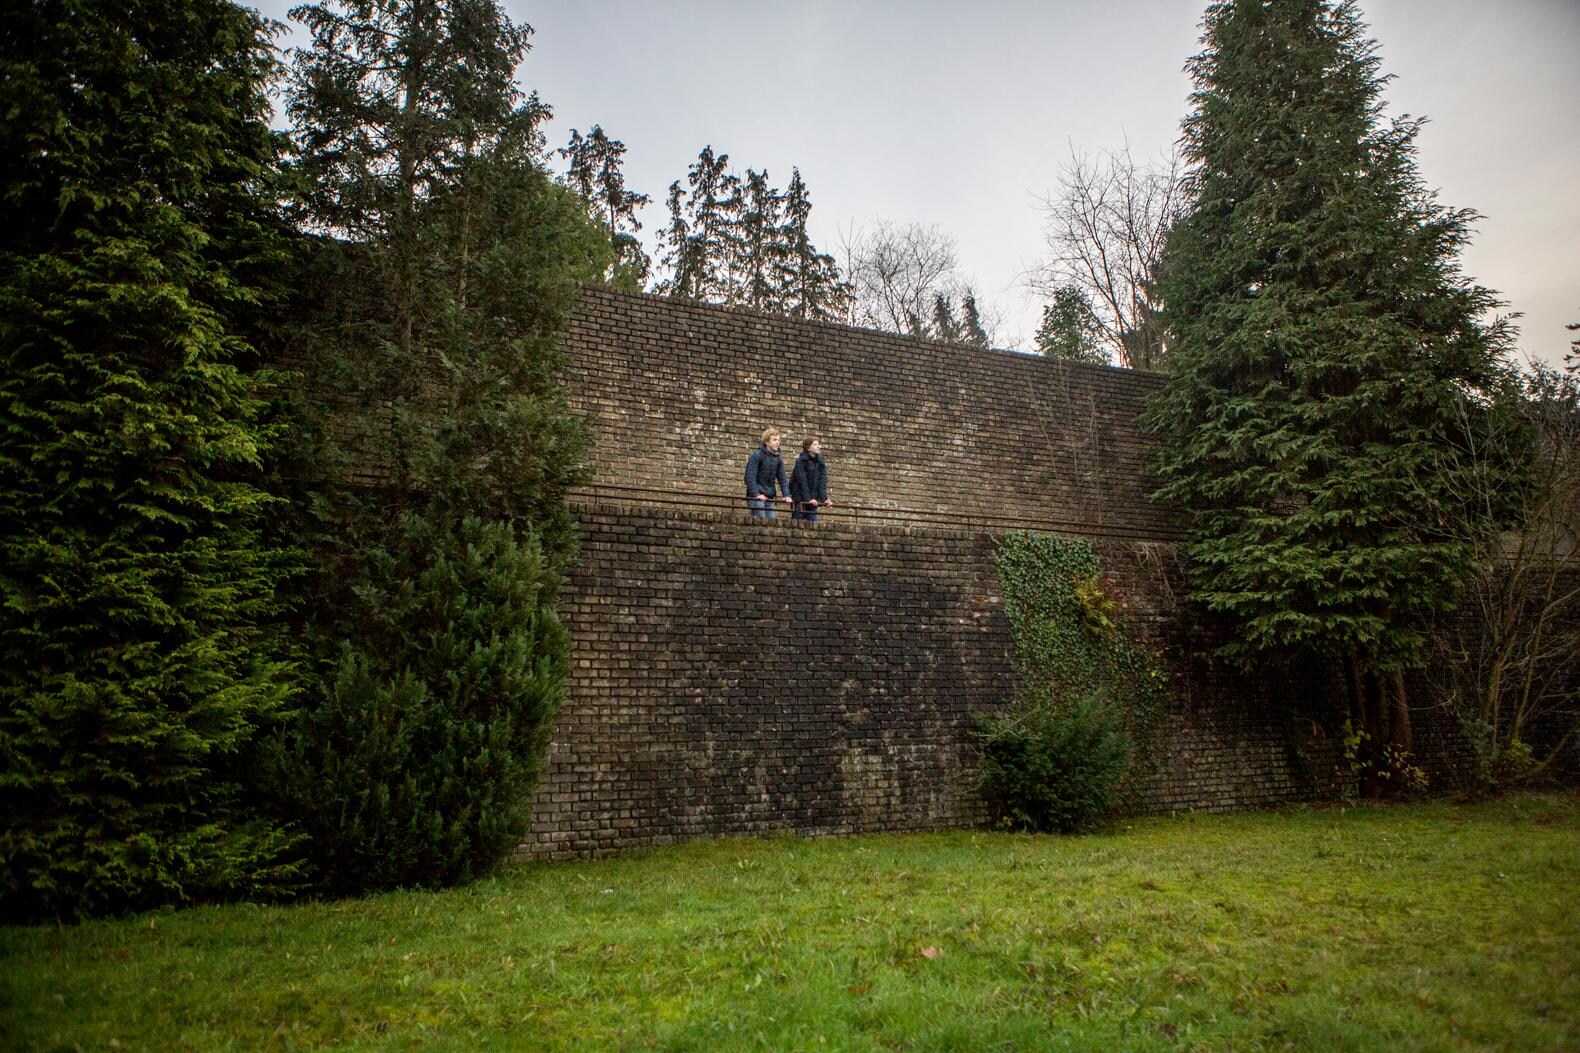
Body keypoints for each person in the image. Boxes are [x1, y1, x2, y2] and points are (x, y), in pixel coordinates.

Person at [743, 428, 790, 517]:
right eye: (774, 440)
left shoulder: (778, 458)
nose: (777, 442)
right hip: (756, 497)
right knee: (761, 522)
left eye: (778, 440)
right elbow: (750, 477)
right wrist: (757, 494)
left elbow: (782, 478)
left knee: (771, 524)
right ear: (766, 442)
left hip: (769, 497)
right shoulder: (757, 455)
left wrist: (786, 495)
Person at [790, 436, 832, 523]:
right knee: (797, 525)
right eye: (815, 444)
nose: (818, 446)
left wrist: (824, 499)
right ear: (808, 447)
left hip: (813, 500)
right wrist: (808, 499)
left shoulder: (820, 462)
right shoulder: (800, 461)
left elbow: (822, 482)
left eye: (818, 444)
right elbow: (802, 482)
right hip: (800, 500)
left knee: (814, 525)